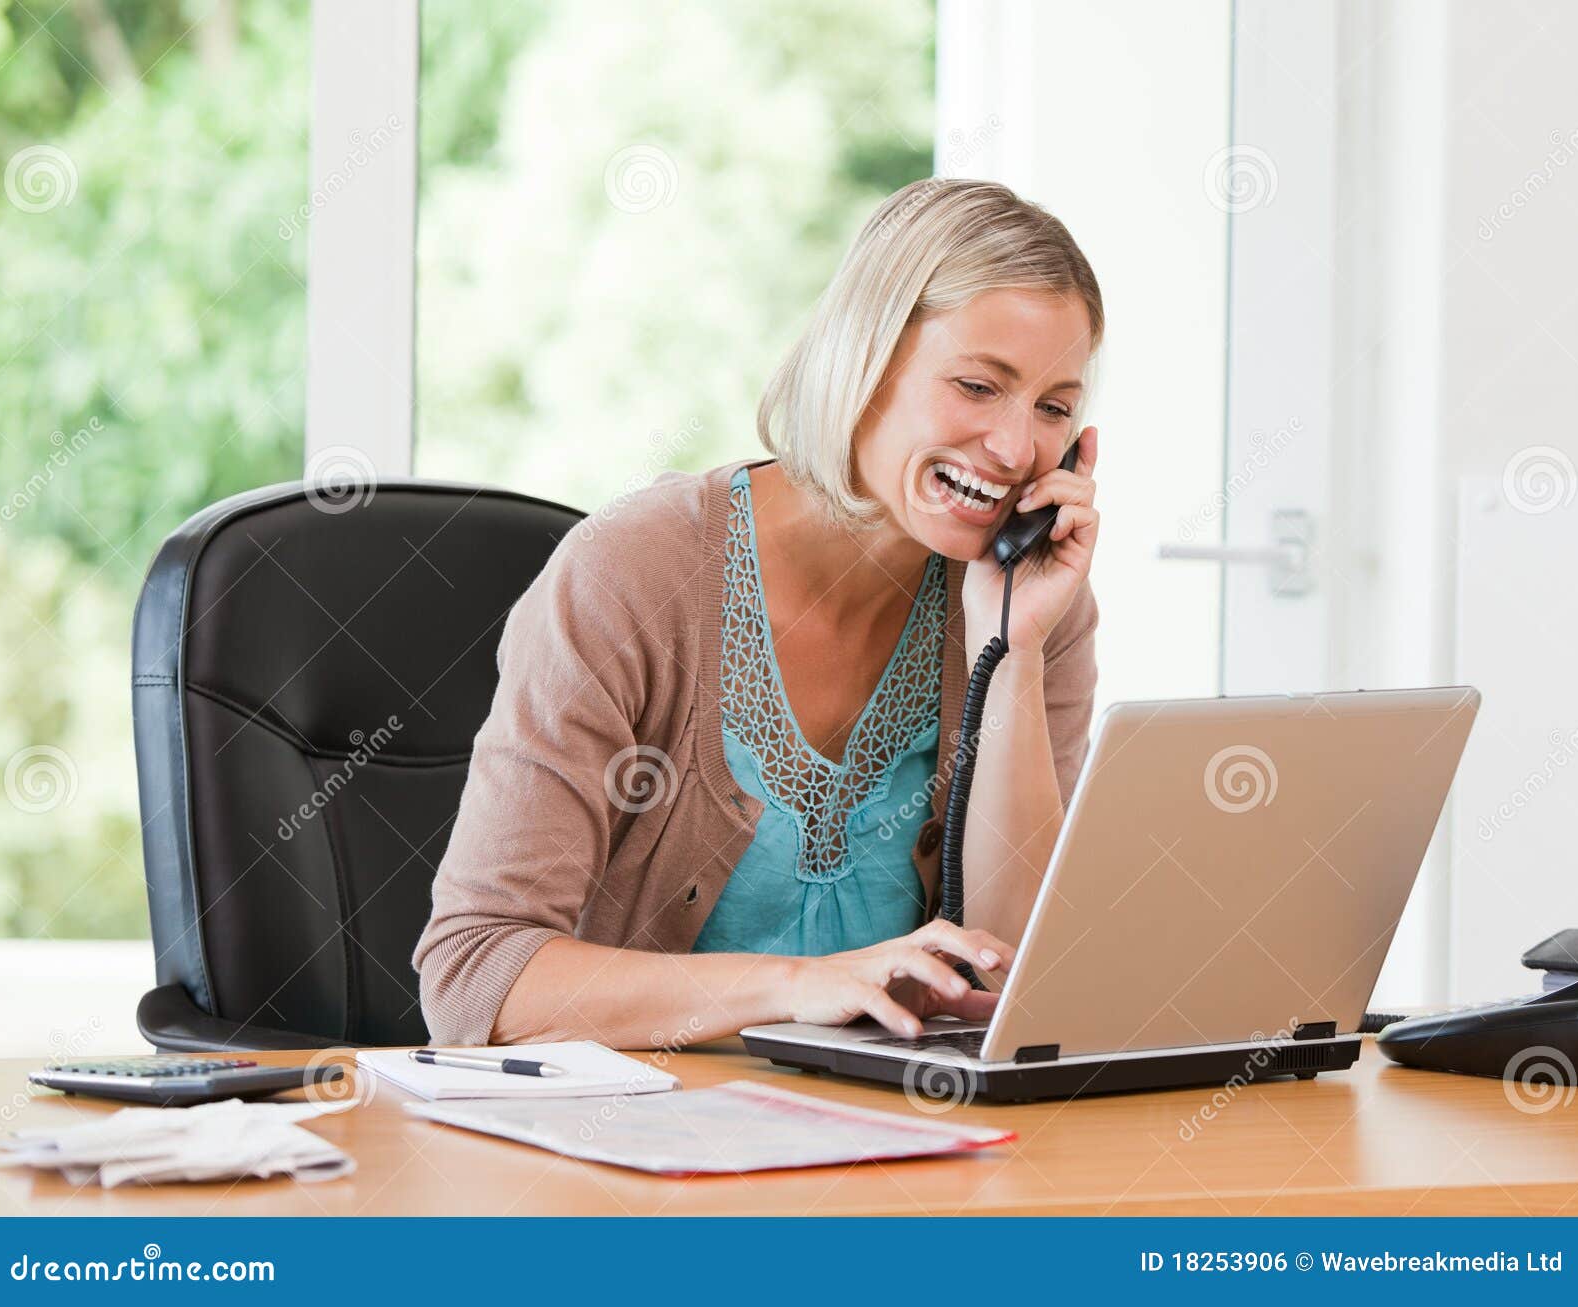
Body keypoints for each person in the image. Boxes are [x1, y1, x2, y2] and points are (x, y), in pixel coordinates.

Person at [414, 177, 1104, 1049]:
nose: (1014, 449)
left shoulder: (1031, 606)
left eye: (1054, 409)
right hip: (629, 1154)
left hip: (896, 1149)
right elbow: (477, 975)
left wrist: (1011, 653)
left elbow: (1017, 979)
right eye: (976, 385)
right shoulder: (634, 572)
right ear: (864, 358)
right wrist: (796, 987)